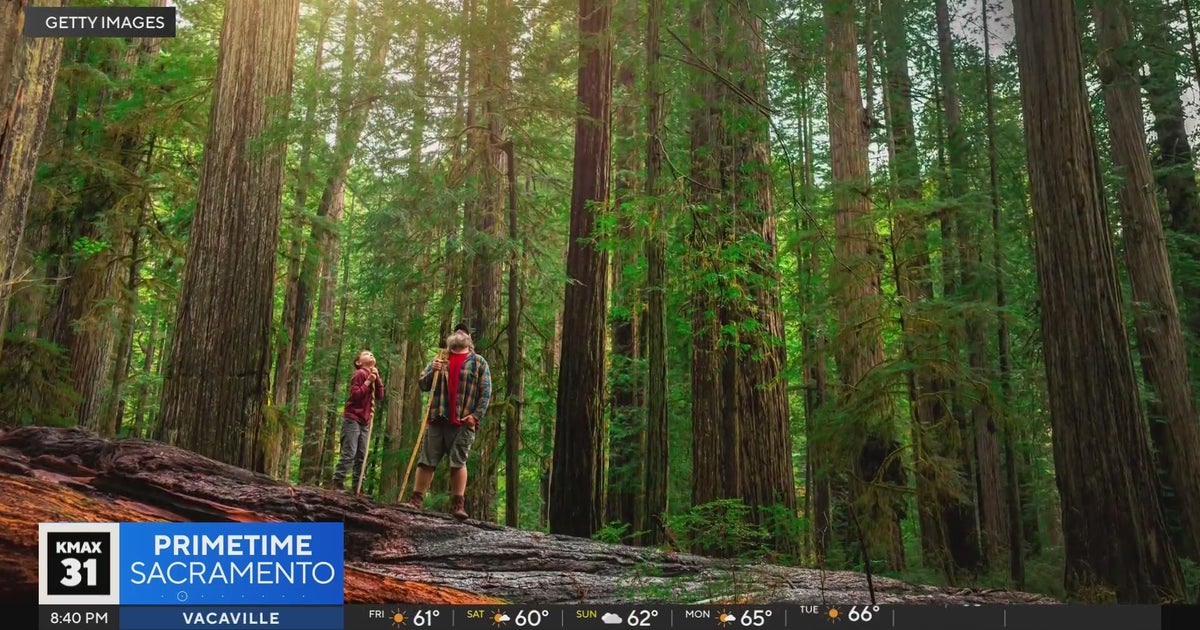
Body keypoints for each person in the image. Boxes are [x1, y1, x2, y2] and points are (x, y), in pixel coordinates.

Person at [403, 324, 492, 519]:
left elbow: (486, 392)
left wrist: (475, 416)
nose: (459, 333)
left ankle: (458, 505)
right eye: (456, 331)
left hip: (462, 421)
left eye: (463, 332)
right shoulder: (440, 358)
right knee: (427, 460)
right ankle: (416, 500)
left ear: (469, 339)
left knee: (458, 462)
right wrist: (431, 371)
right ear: (451, 338)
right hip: (437, 417)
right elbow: (423, 384)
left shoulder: (478, 362)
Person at [332, 349, 384, 492]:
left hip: (365, 421)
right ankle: (338, 482)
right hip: (353, 418)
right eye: (367, 354)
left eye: (372, 354)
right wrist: (368, 381)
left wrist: (377, 378)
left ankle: (358, 487)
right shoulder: (360, 374)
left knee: (362, 454)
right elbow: (355, 395)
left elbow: (380, 396)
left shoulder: (373, 375)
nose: (371, 355)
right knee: (350, 452)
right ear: (359, 362)